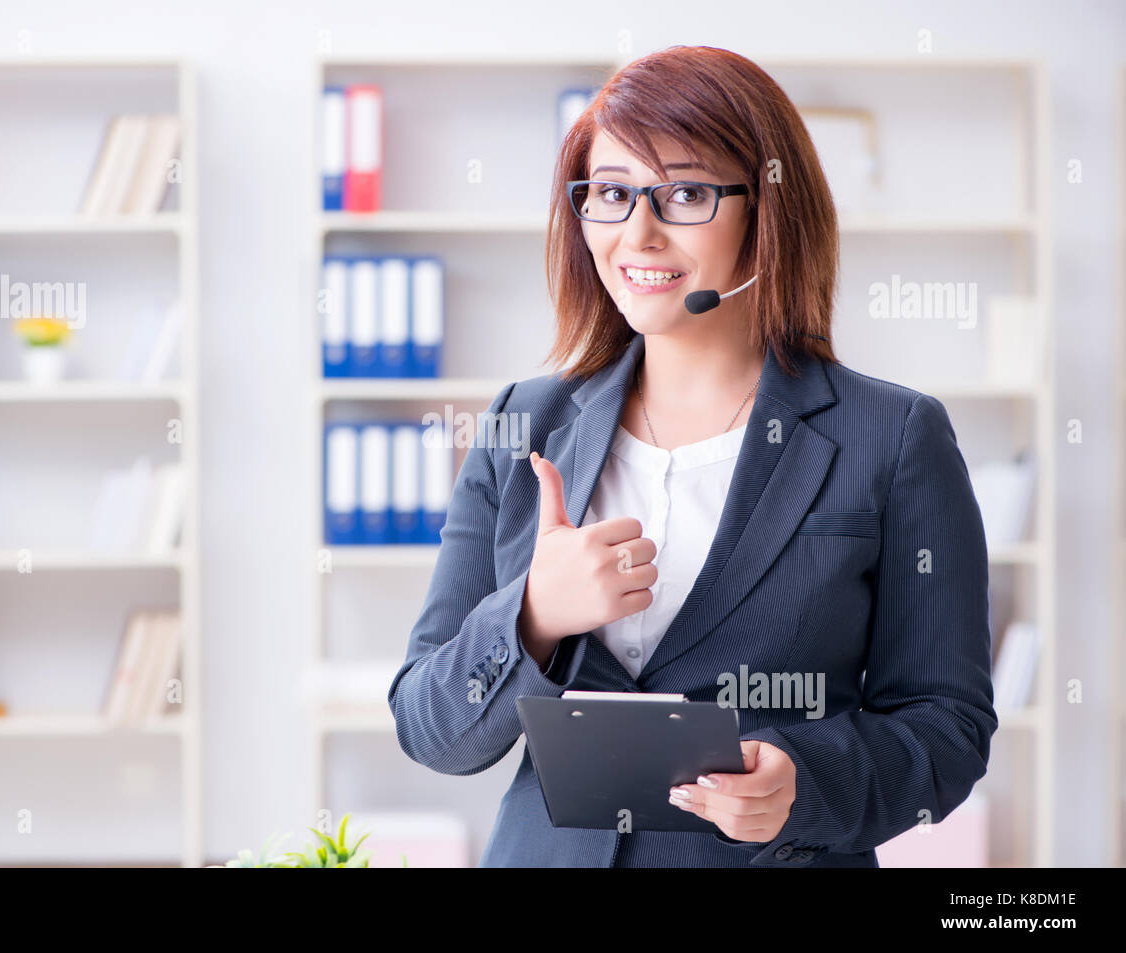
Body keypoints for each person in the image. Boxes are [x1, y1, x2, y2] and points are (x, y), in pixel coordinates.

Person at [386, 45, 997, 867]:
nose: (638, 232)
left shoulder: (893, 436)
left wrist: (803, 782)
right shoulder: (522, 424)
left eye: (684, 194)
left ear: (768, 209)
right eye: (610, 193)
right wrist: (531, 615)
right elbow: (430, 728)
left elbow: (946, 726)